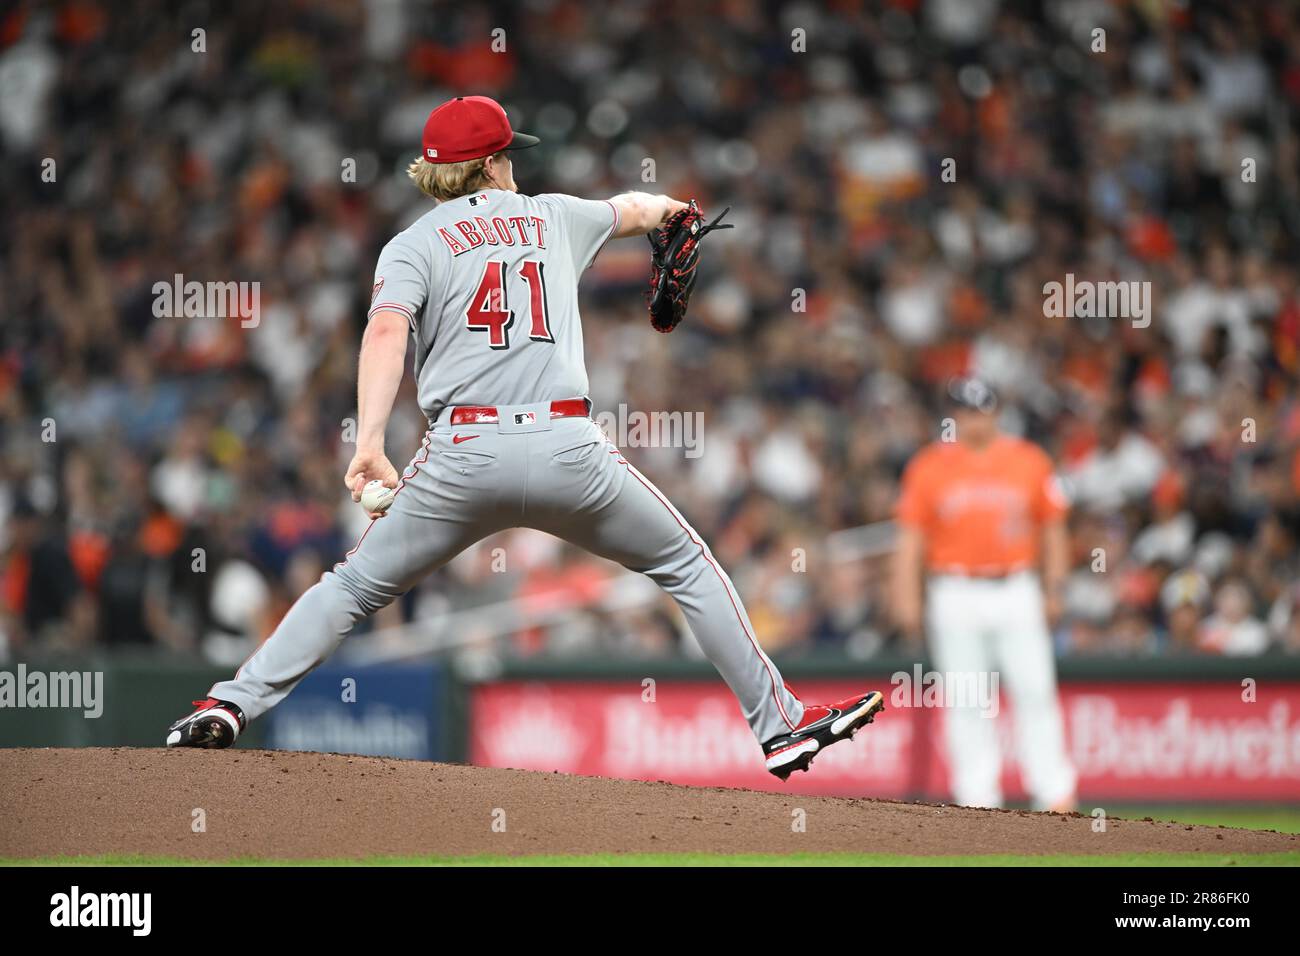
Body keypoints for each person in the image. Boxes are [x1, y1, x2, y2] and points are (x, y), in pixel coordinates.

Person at [166, 95, 883, 779]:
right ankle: (779, 725)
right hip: (568, 449)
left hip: (461, 456)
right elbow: (639, 209)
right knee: (687, 566)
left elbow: (386, 331)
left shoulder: (411, 244)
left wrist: (369, 441)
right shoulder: (556, 217)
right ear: (490, 164)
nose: (515, 165)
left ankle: (230, 703)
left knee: (351, 587)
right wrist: (675, 212)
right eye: (508, 154)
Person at [892, 377, 1076, 809]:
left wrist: (1055, 587)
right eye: (965, 411)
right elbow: (911, 539)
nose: (974, 419)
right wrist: (906, 598)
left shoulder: (1029, 460)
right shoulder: (929, 465)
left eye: (981, 410)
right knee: (967, 699)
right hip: (954, 590)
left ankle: (1054, 793)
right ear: (953, 416)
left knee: (1034, 690)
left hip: (1016, 586)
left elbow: (1053, 528)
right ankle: (977, 799)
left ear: (995, 412)